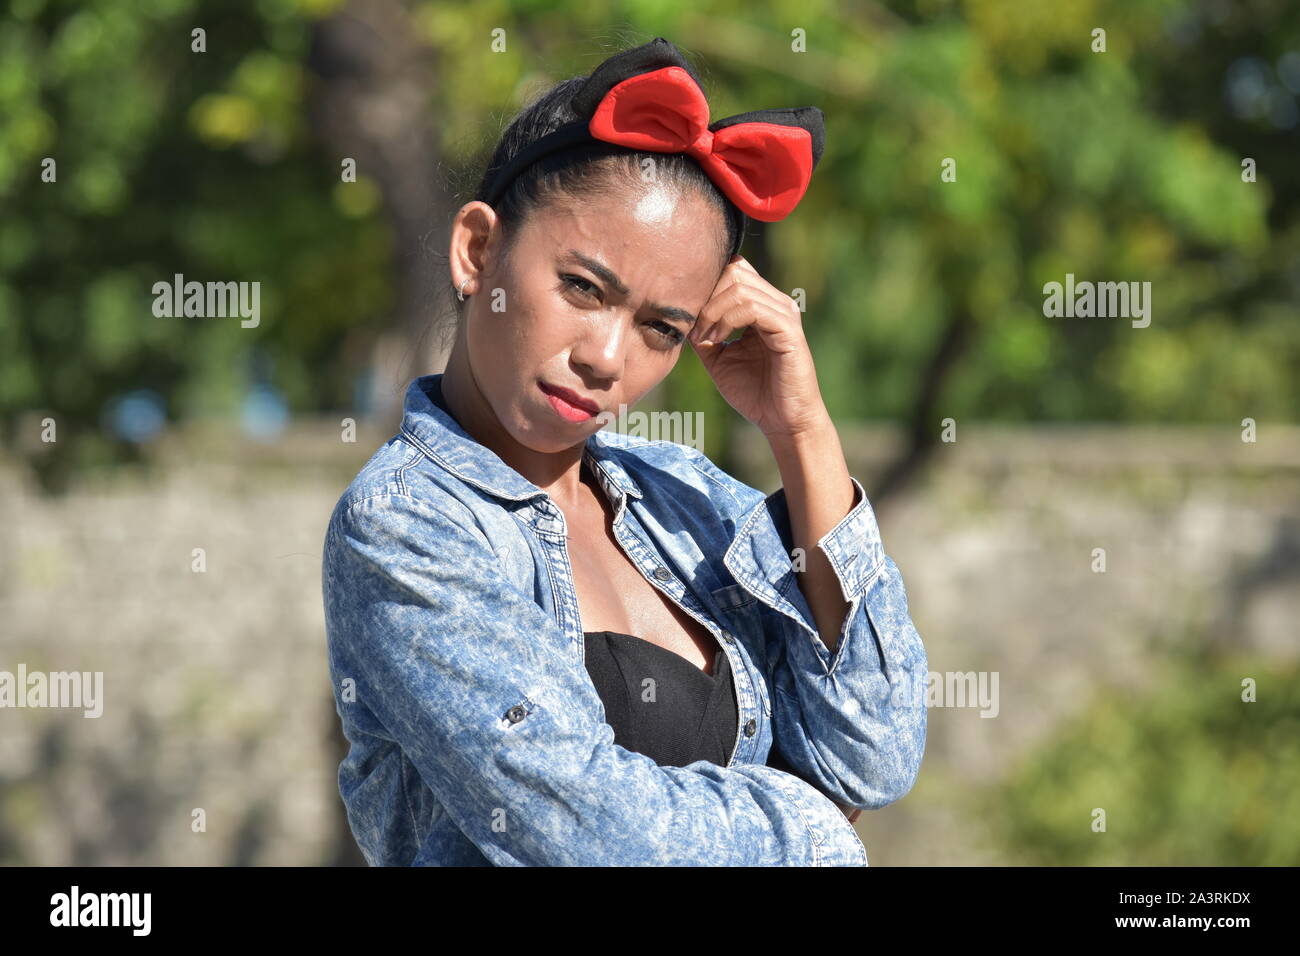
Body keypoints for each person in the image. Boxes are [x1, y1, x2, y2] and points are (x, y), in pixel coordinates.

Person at [321, 36, 928, 866]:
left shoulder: (686, 496)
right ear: (477, 252)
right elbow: (591, 834)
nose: (607, 356)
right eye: (581, 287)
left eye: (660, 329)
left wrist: (801, 430)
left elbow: (873, 754)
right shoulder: (406, 526)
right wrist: (819, 825)